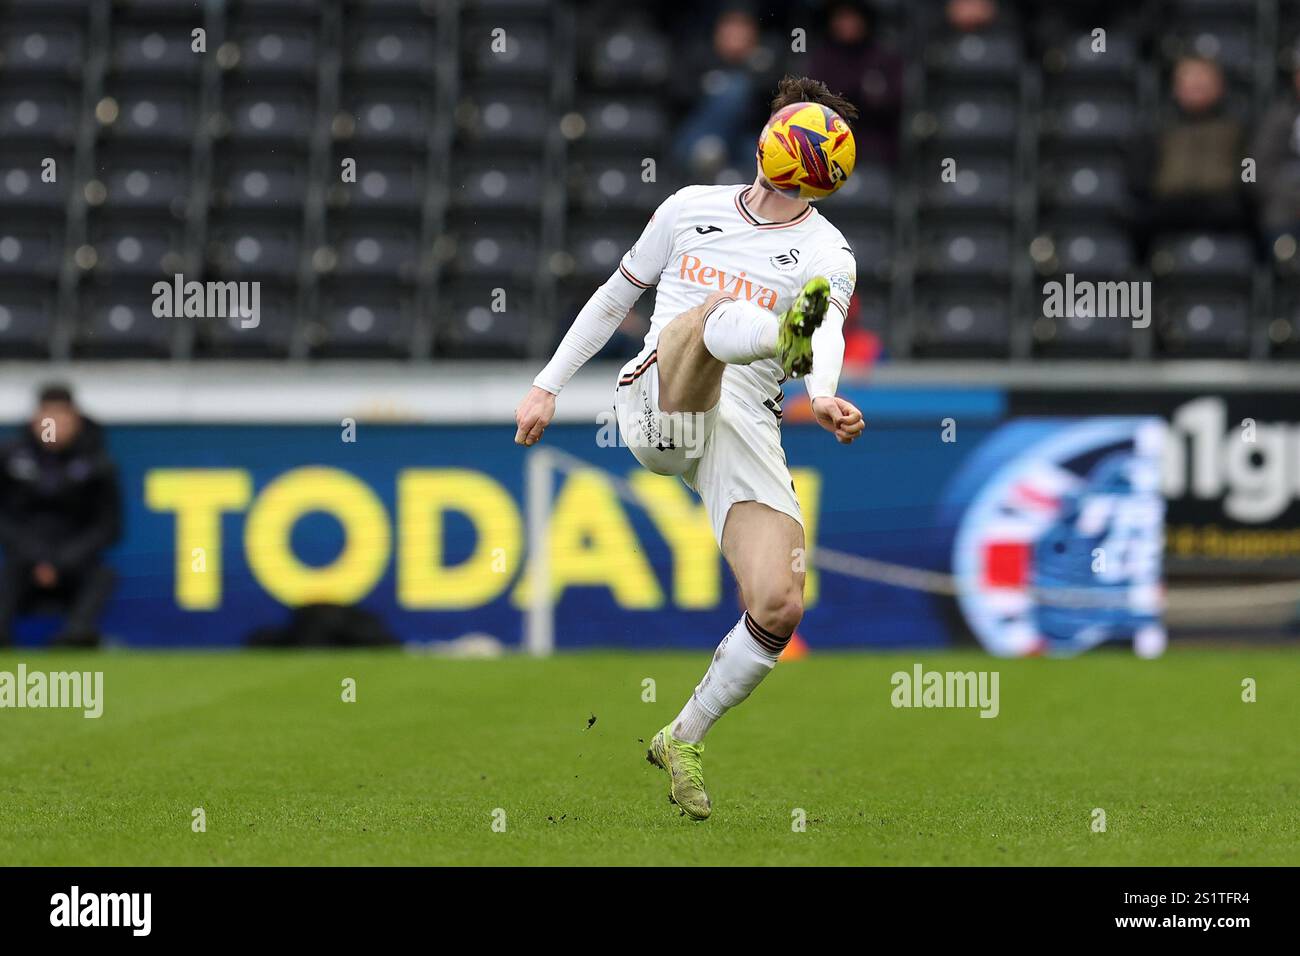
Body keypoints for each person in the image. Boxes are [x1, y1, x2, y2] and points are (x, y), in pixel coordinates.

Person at [515, 76, 866, 820]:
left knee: (779, 600)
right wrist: (548, 385)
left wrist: (823, 392)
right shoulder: (688, 208)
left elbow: (830, 328)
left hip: (744, 422)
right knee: (714, 316)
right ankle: (777, 335)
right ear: (774, 133)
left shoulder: (828, 251)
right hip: (658, 398)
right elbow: (617, 295)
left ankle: (683, 735)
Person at [0, 384, 121, 648]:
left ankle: (76, 634)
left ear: (75, 420)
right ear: (35, 419)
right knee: (8, 575)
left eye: (61, 418)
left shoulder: (98, 465)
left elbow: (108, 526)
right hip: (24, 560)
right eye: (48, 417)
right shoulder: (9, 460)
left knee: (102, 576)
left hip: (76, 562)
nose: (54, 426)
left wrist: (62, 560)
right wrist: (36, 556)